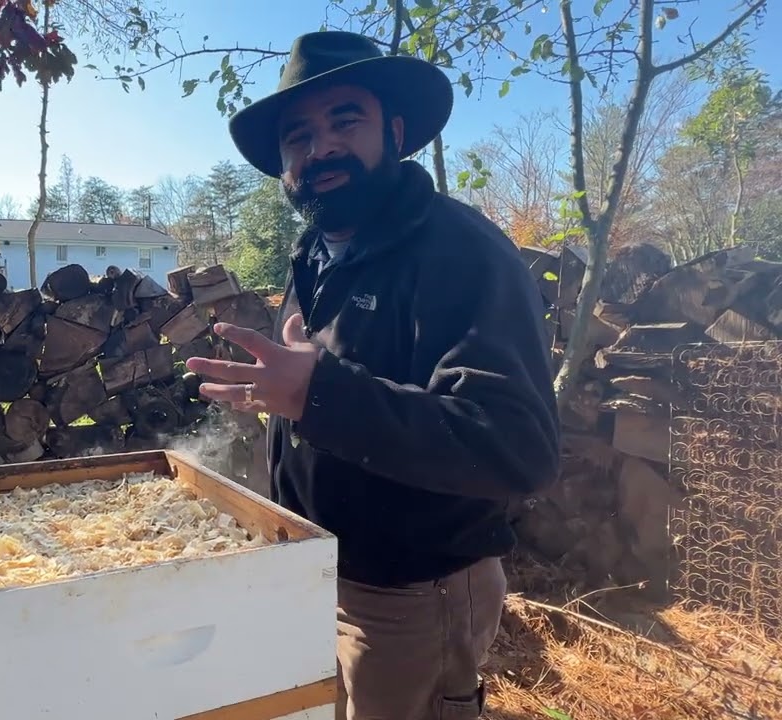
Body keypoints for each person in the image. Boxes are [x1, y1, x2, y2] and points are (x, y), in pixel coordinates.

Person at [184, 31, 561, 720]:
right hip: (319, 571)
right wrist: (292, 402)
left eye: (344, 121)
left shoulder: (461, 252)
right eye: (298, 136)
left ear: (394, 130)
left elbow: (518, 446)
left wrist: (316, 394)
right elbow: (333, 392)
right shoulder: (316, 252)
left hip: (414, 592)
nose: (320, 147)